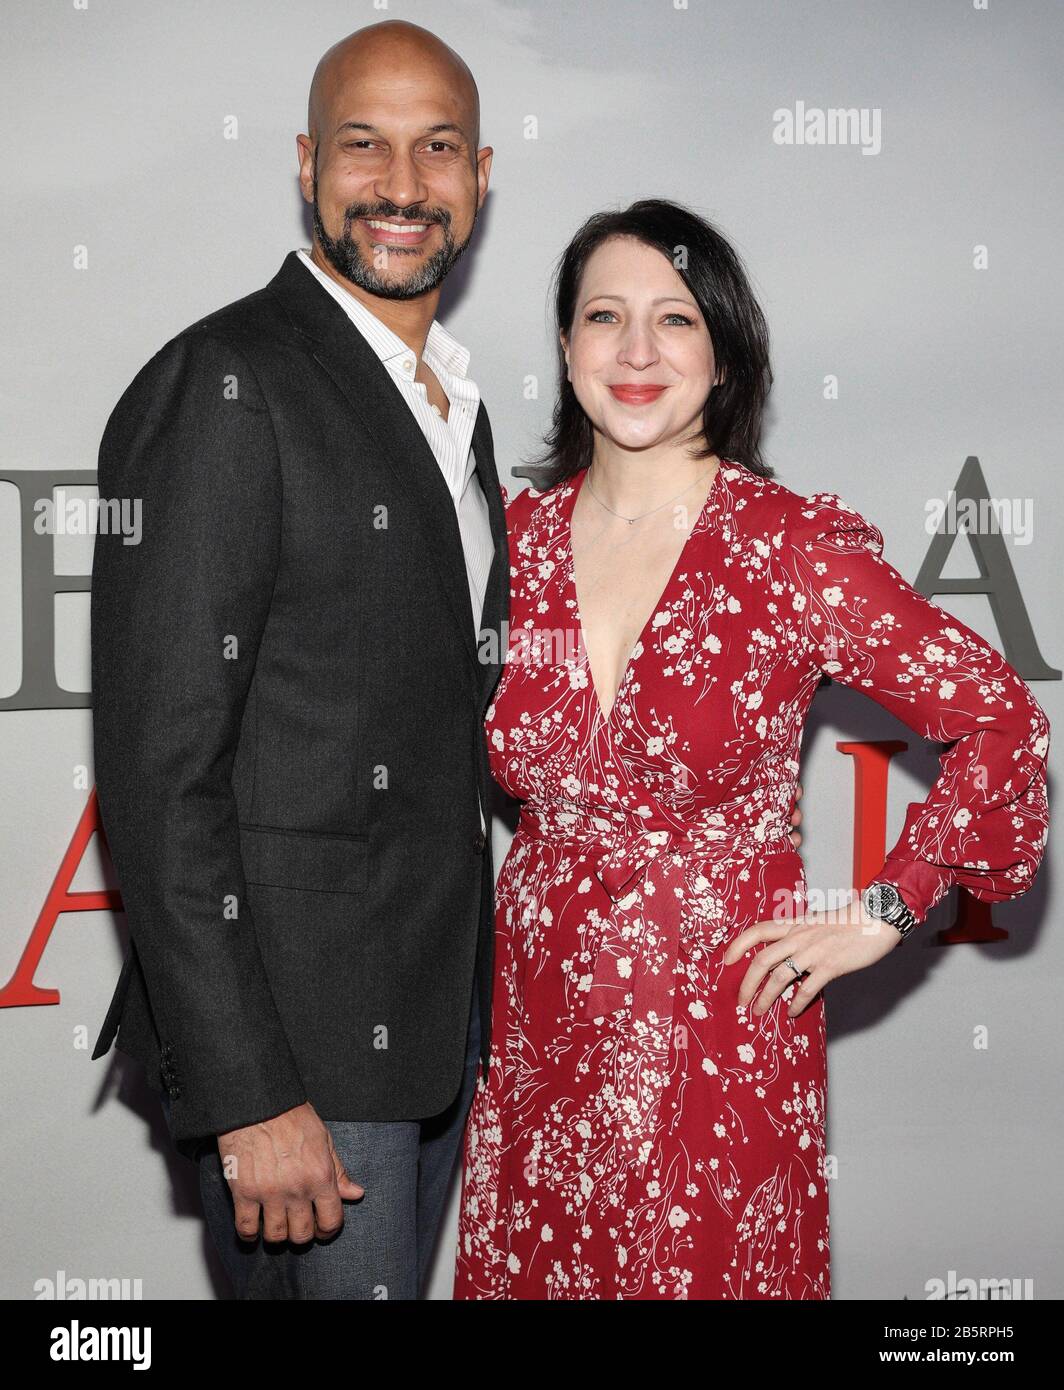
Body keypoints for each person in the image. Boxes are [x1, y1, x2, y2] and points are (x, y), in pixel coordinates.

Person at [453, 199, 1050, 1299]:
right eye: (603, 316)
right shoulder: (509, 546)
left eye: (674, 320)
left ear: (722, 355)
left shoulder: (785, 550)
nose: (636, 351)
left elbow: (998, 718)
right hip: (542, 1046)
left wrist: (888, 905)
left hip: (720, 1035)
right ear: (565, 349)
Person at [90, 20, 505, 1300]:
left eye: (435, 148)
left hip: (435, 1028)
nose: (399, 184)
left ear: (480, 177)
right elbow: (163, 774)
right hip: (300, 1062)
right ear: (306, 164)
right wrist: (250, 1092)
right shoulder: (225, 380)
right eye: (361, 144)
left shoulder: (455, 402)